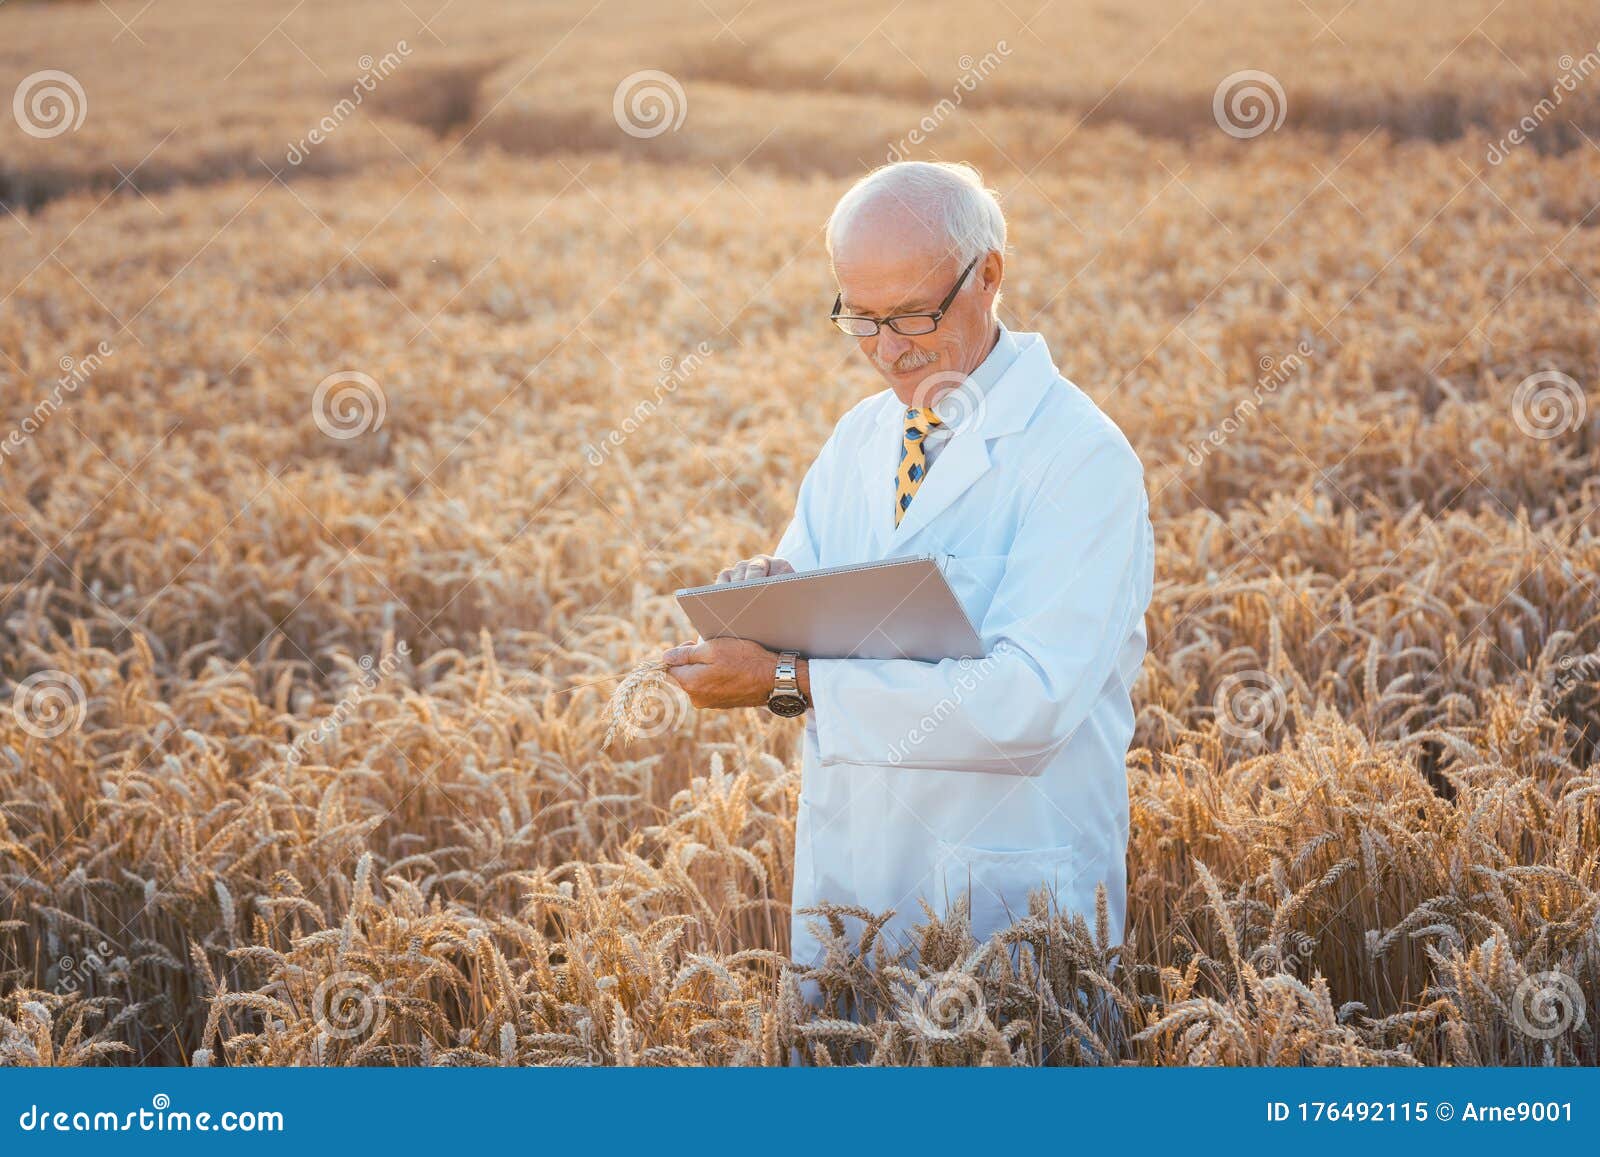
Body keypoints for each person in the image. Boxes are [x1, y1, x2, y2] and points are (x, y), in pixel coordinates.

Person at [661, 160, 1154, 1033]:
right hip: (853, 890)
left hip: (1011, 906)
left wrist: (792, 680)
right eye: (861, 318)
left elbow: (1028, 702)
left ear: (990, 275)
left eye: (914, 315)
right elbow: (809, 590)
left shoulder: (1081, 460)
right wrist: (767, 595)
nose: (889, 349)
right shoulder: (860, 437)